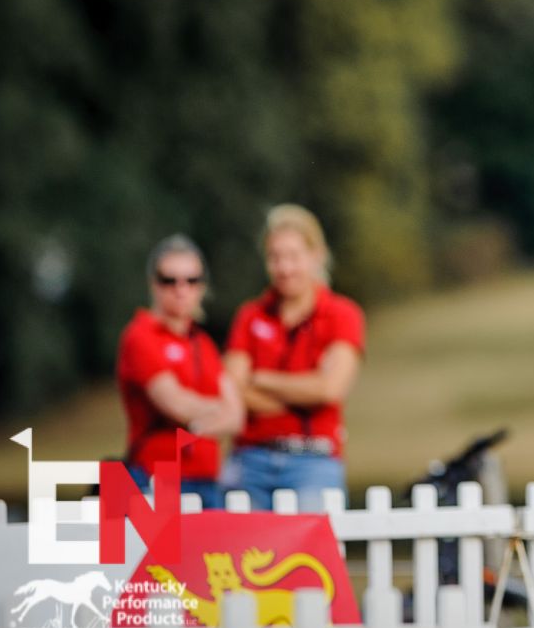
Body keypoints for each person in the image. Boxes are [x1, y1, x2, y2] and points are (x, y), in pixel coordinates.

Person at [223, 204, 365, 511]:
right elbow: (230, 388)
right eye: (275, 257)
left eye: (293, 256)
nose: (284, 268)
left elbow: (329, 389)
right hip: (251, 458)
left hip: (313, 460)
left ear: (316, 255)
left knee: (306, 557)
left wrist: (259, 379)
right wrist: (302, 393)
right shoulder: (250, 316)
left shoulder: (342, 315)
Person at [115, 235, 242, 509]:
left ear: (202, 286)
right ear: (153, 283)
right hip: (157, 478)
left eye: (191, 280)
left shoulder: (203, 344)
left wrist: (195, 422)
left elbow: (236, 417)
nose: (181, 289)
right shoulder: (140, 336)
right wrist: (214, 412)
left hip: (208, 481)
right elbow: (175, 403)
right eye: (169, 280)